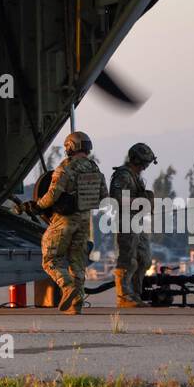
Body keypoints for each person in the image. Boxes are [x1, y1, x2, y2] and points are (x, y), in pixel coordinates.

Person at [25, 130, 107, 314]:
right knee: (77, 262)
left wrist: (37, 207)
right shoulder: (94, 168)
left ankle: (67, 287)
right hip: (85, 222)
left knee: (50, 259)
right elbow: (103, 197)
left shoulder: (66, 167)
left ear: (70, 146)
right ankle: (76, 304)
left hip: (64, 220)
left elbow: (52, 196)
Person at [110, 142, 156, 308]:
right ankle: (124, 296)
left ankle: (135, 294)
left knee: (144, 259)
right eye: (144, 162)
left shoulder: (135, 176)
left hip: (137, 221)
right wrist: (140, 201)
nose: (145, 166)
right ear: (137, 160)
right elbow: (115, 199)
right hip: (125, 221)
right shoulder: (122, 175)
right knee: (127, 259)